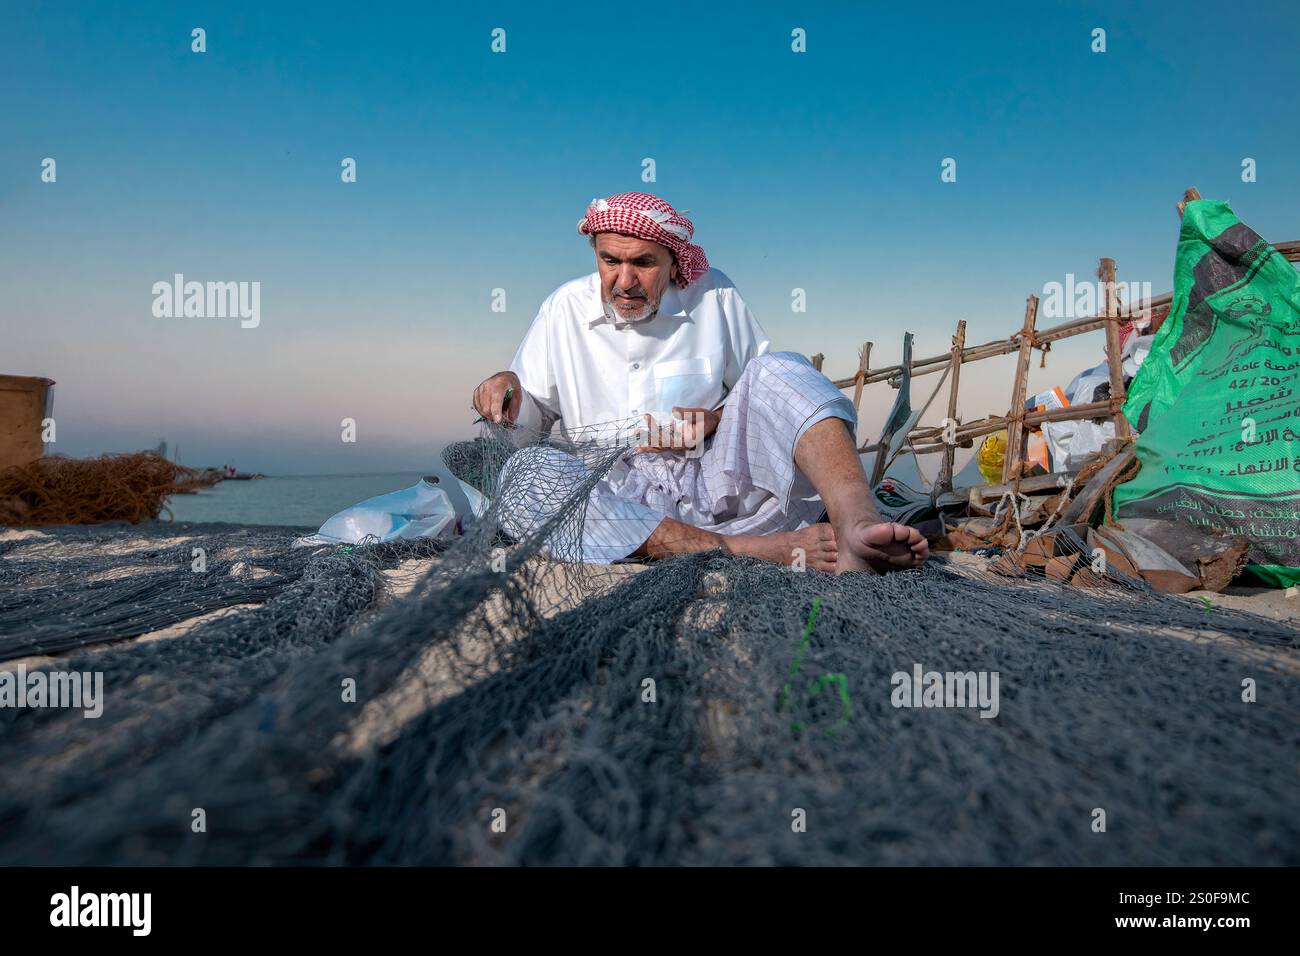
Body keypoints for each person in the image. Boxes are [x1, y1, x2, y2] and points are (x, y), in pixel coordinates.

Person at [471, 191, 927, 574]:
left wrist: (715, 418)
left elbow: (770, 400)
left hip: (718, 490)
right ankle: (752, 552)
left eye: (643, 264)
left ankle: (857, 523)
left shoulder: (715, 294)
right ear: (595, 253)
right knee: (524, 476)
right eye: (609, 261)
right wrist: (511, 396)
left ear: (673, 262)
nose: (623, 281)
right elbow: (534, 421)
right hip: (614, 500)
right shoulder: (562, 309)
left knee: (783, 367)